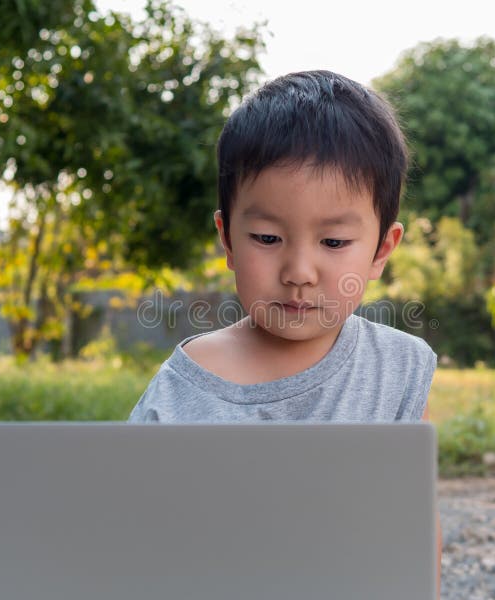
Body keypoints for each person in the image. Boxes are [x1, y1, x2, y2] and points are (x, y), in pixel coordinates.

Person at [128, 70, 440, 593]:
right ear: (228, 238)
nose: (299, 271)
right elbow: (136, 534)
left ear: (381, 250)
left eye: (334, 242)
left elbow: (415, 525)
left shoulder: (398, 369)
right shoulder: (184, 388)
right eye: (267, 237)